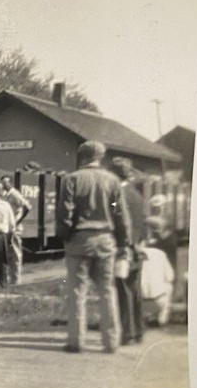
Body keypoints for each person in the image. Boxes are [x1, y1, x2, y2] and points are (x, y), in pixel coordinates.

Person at [55, 141, 130, 353]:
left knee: (77, 292)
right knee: (107, 290)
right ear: (101, 157)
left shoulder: (72, 180)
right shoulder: (113, 182)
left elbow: (65, 213)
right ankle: (111, 341)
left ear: (81, 156)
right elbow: (119, 212)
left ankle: (76, 340)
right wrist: (124, 241)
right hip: (105, 240)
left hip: (79, 239)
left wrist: (66, 236)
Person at [112, 158, 147, 345]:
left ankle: (127, 333)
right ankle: (139, 331)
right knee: (135, 290)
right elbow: (143, 221)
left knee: (122, 290)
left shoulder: (116, 196)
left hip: (123, 248)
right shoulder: (137, 195)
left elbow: (114, 217)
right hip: (138, 248)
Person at [0, 175, 32, 285]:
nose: (3, 185)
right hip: (8, 227)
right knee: (9, 254)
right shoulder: (6, 195)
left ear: (10, 183)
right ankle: (11, 279)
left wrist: (18, 220)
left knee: (16, 254)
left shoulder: (14, 193)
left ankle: (16, 280)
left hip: (15, 227)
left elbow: (27, 206)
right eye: (2, 183)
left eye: (5, 183)